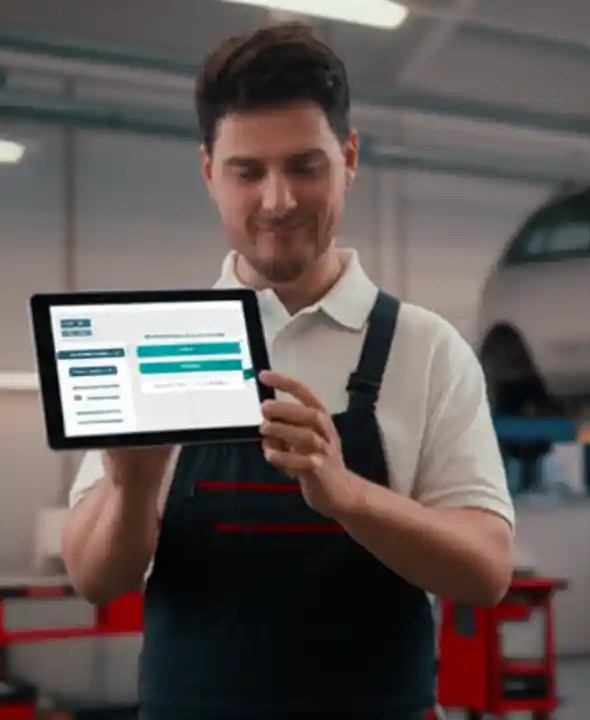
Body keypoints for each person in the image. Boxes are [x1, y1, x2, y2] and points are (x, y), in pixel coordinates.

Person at [59, 22, 515, 720]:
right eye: (248, 172)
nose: (278, 201)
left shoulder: (425, 349)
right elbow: (93, 578)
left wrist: (347, 496)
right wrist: (134, 485)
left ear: (349, 158)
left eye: (305, 166)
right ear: (209, 172)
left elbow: (486, 572)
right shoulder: (156, 343)